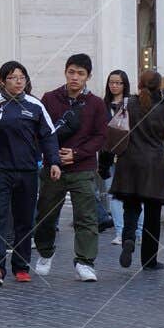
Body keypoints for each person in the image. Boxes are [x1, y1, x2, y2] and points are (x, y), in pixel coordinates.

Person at [0, 60, 61, 286]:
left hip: (28, 171)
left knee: (24, 219)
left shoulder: (35, 106)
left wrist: (54, 162)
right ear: (2, 81)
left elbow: (49, 136)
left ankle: (21, 267)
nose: (19, 81)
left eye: (22, 77)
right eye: (13, 77)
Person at [35, 53, 109, 281]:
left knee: (86, 217)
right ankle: (45, 253)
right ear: (65, 72)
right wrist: (54, 155)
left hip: (83, 167)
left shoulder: (96, 103)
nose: (75, 77)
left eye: (80, 74)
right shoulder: (49, 98)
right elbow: (41, 131)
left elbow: (100, 136)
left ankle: (85, 262)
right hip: (52, 167)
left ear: (88, 77)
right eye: (71, 72)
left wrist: (76, 154)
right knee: (46, 214)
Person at [110, 69, 164, 270]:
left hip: (129, 161)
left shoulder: (128, 104)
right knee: (153, 214)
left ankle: (128, 238)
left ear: (139, 84)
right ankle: (149, 259)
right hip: (153, 163)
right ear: (159, 86)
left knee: (131, 206)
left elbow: (115, 130)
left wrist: (104, 164)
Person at [96, 69, 131, 236]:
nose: (114, 86)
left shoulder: (131, 104)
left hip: (128, 155)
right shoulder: (101, 105)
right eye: (111, 82)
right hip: (107, 156)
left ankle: (135, 232)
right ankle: (120, 231)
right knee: (113, 195)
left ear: (125, 85)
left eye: (118, 83)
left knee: (131, 195)